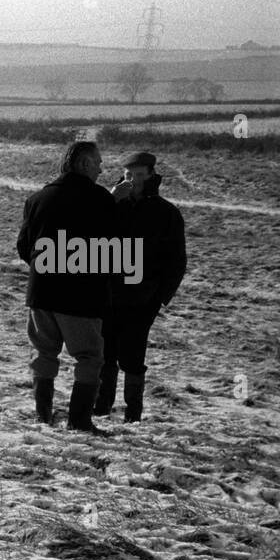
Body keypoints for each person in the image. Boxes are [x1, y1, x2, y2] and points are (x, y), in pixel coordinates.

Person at [16, 141, 119, 434]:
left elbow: (24, 247)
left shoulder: (37, 199)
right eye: (98, 162)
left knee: (44, 353)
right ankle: (79, 420)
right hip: (81, 295)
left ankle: (42, 415)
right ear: (84, 164)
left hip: (41, 290)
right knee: (88, 356)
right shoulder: (101, 200)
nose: (101, 167)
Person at [95, 151, 187, 423]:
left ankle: (133, 413)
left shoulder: (166, 213)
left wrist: (160, 298)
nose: (132, 181)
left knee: (133, 357)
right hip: (108, 294)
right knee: (105, 354)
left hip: (142, 299)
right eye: (127, 175)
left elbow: (176, 260)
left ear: (151, 177)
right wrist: (110, 202)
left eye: (138, 176)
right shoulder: (112, 206)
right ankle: (102, 407)